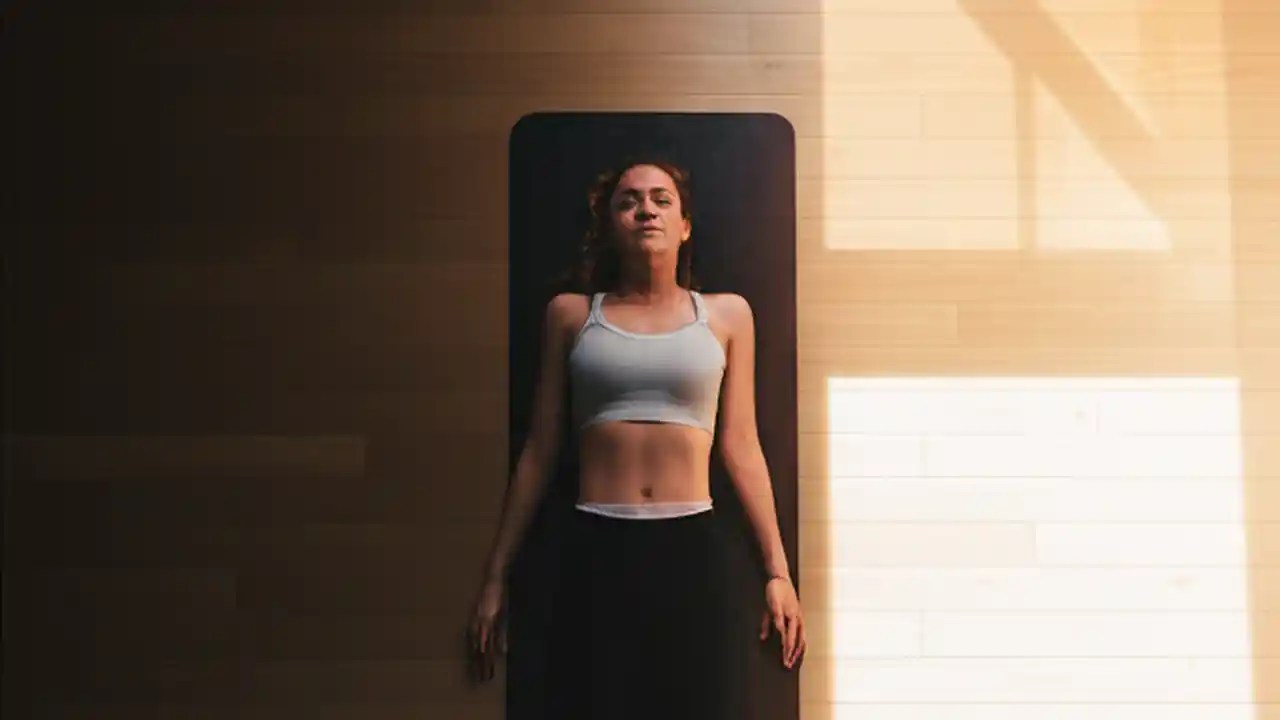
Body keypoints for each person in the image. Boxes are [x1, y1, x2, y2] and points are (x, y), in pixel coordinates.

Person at [466, 158, 805, 718]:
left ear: (685, 224)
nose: (645, 208)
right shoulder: (573, 316)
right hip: (595, 542)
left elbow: (741, 444)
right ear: (608, 225)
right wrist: (496, 575)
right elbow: (542, 447)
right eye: (628, 200)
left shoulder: (725, 315)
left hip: (692, 546)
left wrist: (778, 571)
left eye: (660, 199)